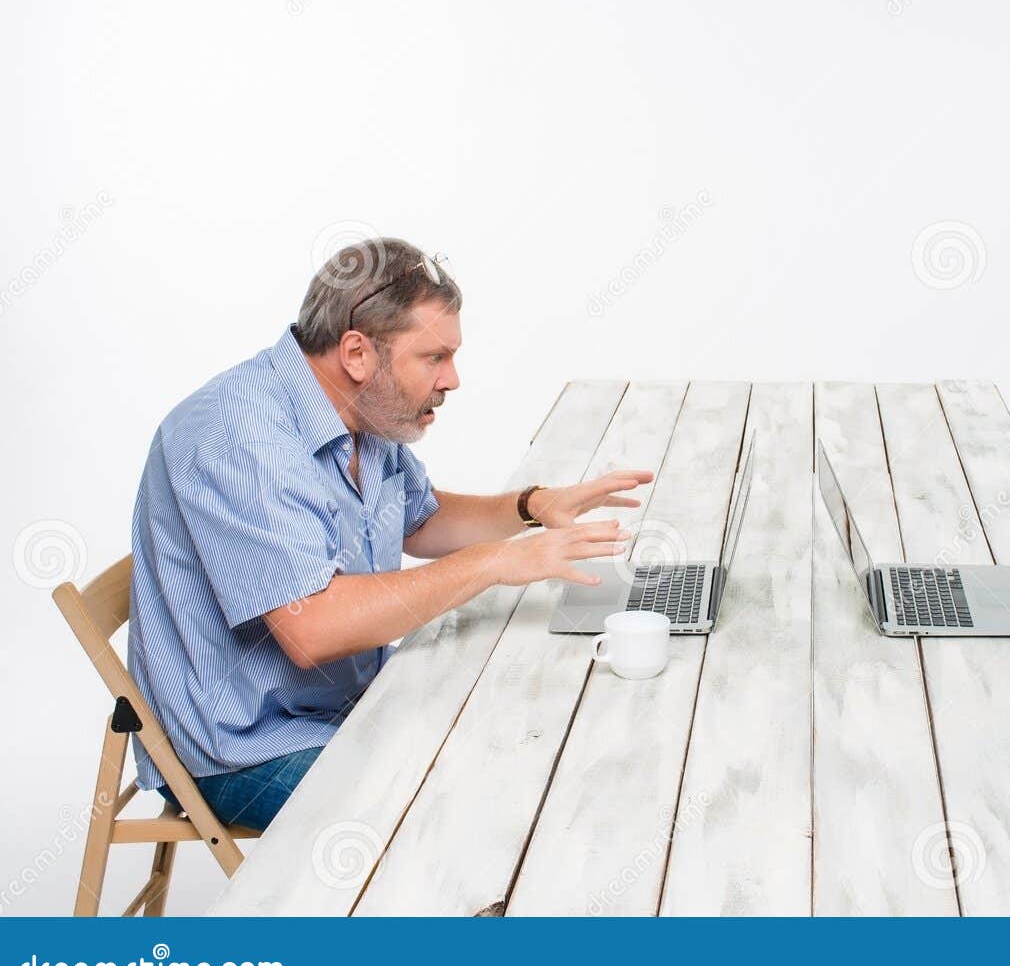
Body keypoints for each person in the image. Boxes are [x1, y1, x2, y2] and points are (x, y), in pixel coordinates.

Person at [127, 237, 651, 829]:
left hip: (344, 700)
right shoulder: (235, 438)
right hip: (249, 744)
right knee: (473, 814)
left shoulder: (360, 410)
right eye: (433, 357)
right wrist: (493, 563)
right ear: (357, 353)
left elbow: (420, 518)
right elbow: (314, 627)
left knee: (532, 740)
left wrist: (532, 506)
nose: (452, 379)